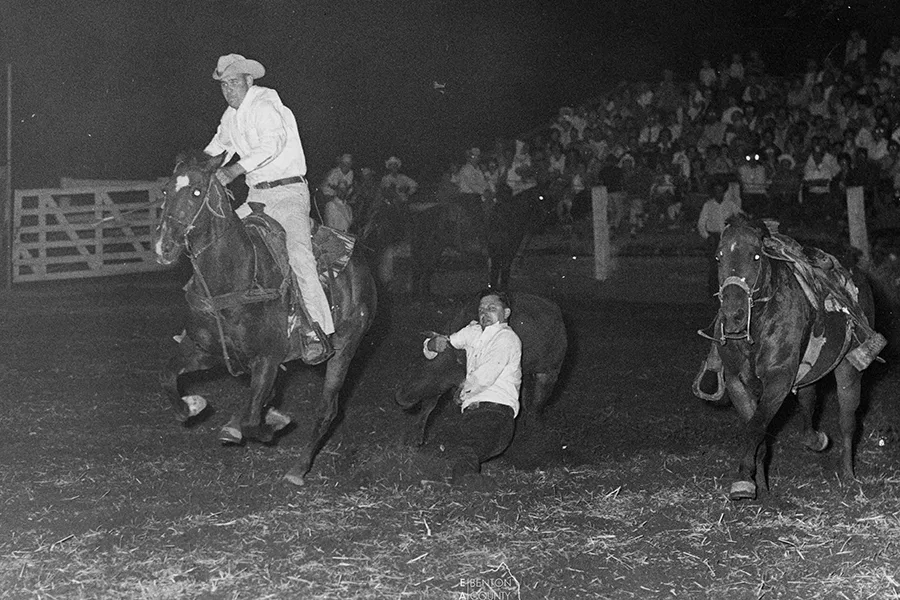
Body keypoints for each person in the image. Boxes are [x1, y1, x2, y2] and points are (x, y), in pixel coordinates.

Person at [203, 53, 333, 363]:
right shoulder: (230, 116)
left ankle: (317, 330)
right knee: (218, 241)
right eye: (223, 85)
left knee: (300, 255)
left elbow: (271, 145)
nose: (228, 90)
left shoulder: (266, 104)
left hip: (287, 193)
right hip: (257, 197)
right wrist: (193, 168)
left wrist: (234, 171)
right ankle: (208, 319)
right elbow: (218, 146)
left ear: (249, 81)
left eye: (233, 83)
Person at [424, 290, 522, 483]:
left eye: (492, 308)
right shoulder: (475, 333)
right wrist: (431, 345)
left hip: (495, 413)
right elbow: (448, 342)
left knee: (466, 451)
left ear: (506, 313)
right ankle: (458, 485)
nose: (485, 312)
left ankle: (471, 489)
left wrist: (463, 390)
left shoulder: (506, 339)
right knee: (447, 452)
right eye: (481, 309)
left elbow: (485, 376)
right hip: (473, 413)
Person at [697, 180, 741, 300]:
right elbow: (701, 223)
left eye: (721, 191)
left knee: (730, 265)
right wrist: (707, 236)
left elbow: (740, 215)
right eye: (716, 191)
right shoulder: (708, 205)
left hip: (728, 238)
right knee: (714, 265)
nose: (719, 194)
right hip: (714, 238)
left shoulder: (730, 204)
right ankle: (713, 291)